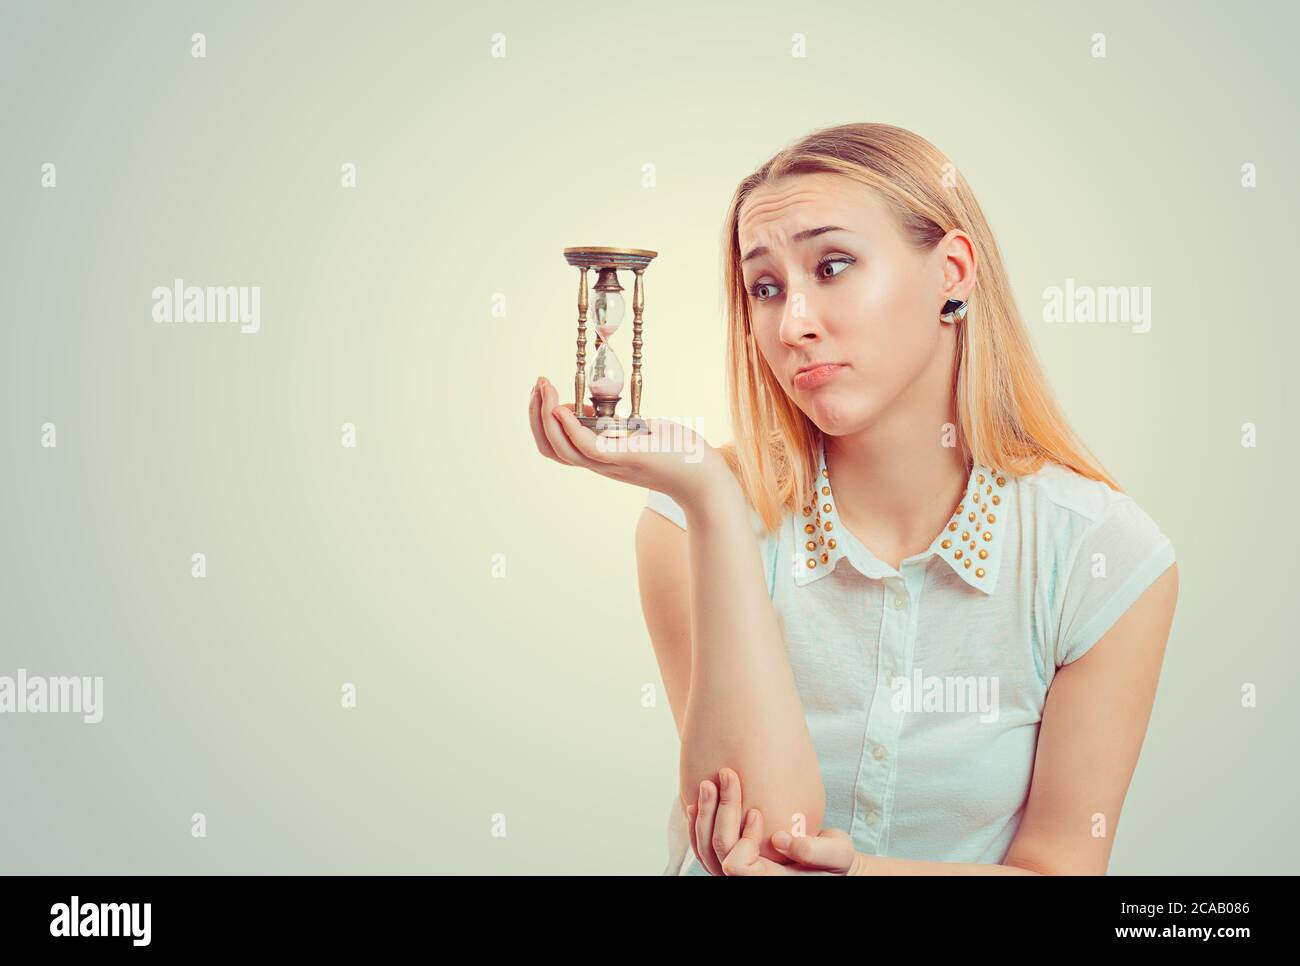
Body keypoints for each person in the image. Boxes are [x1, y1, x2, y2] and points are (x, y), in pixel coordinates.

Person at [526, 122, 1178, 876]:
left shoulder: (1103, 558)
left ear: (953, 273)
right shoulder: (687, 522)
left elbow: (1061, 870)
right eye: (765, 288)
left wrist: (859, 874)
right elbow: (756, 844)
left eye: (833, 267)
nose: (794, 324)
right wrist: (710, 497)